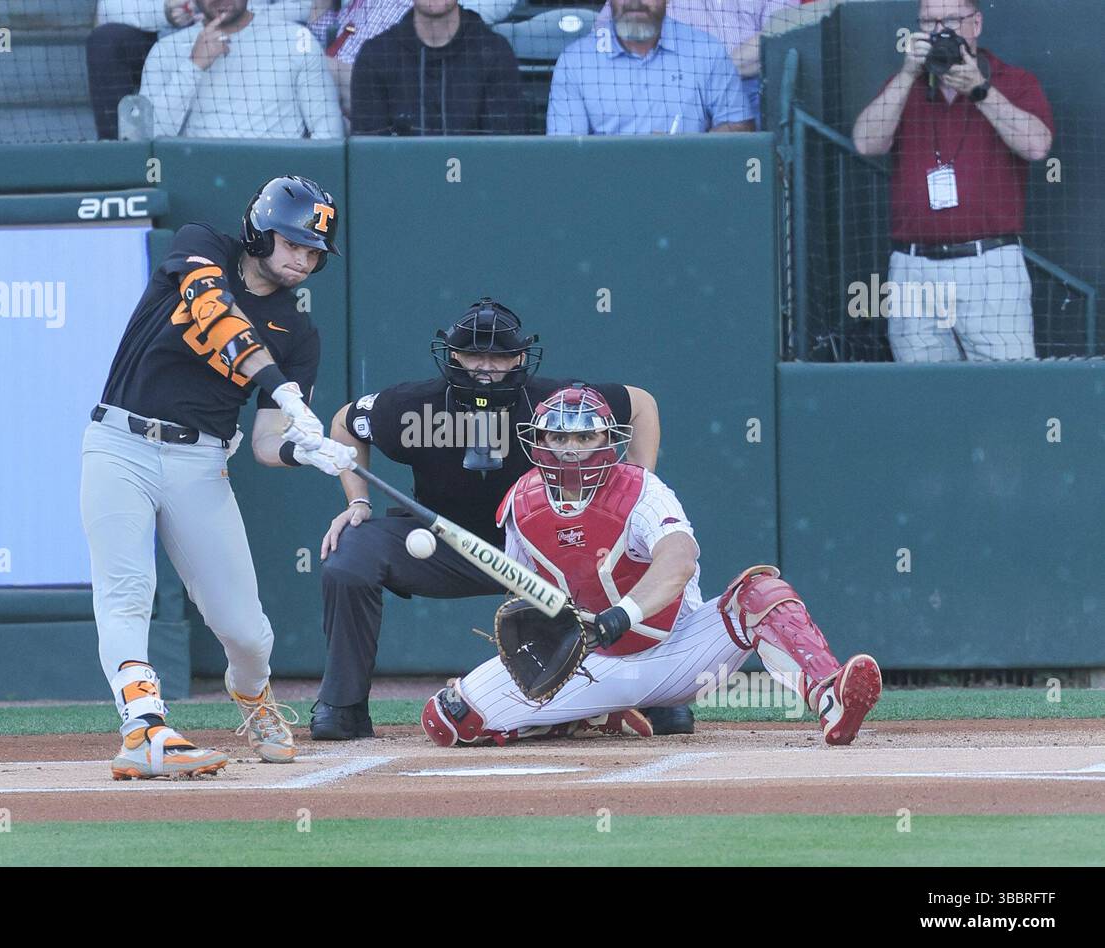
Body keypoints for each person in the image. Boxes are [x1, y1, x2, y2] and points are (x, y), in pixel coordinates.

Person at [310, 298, 694, 739]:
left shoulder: (556, 401)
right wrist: (357, 502)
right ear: (453, 356)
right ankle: (342, 705)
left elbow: (640, 403)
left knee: (628, 551)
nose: (486, 367)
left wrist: (635, 484)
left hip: (551, 548)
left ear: (520, 358)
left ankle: (661, 696)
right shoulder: (411, 407)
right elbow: (344, 424)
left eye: (500, 355)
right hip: (444, 544)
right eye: (475, 354)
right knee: (350, 555)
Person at [421, 385, 883, 747]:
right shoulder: (520, 505)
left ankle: (829, 697)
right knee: (448, 719)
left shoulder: (642, 490)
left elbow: (679, 560)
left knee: (758, 592)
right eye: (558, 436)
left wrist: (618, 617)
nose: (571, 449)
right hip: (586, 665)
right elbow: (525, 594)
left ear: (607, 439)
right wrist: (549, 634)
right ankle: (592, 716)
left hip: (677, 650)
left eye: (585, 436)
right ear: (538, 440)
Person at [81, 175, 357, 780]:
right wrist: (277, 384)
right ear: (259, 229)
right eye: (290, 242)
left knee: (247, 632)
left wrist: (303, 452)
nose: (301, 259)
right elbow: (215, 313)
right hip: (119, 443)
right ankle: (144, 729)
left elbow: (263, 443)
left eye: (312, 252)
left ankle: (255, 698)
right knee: (125, 593)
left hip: (199, 463)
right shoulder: (200, 243)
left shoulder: (299, 334)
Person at [851, 0, 1053, 362]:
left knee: (1007, 386)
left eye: (950, 20)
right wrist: (907, 74)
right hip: (914, 265)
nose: (939, 30)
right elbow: (867, 142)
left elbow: (1037, 146)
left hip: (989, 262)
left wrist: (980, 90)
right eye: (928, 21)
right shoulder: (903, 86)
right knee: (924, 396)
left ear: (976, 24)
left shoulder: (1013, 80)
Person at [139, 0, 344, 138]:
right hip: (198, 180)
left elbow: (328, 131)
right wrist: (194, 66)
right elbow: (148, 138)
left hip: (278, 186)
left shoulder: (296, 40)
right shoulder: (166, 50)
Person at [547, 0, 754, 136]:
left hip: (690, 190)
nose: (635, 2)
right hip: (606, 193)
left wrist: (684, 152)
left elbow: (740, 129)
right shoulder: (576, 62)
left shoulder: (705, 50)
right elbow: (566, 154)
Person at [594, 0, 800, 127]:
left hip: (745, 90)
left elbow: (779, 38)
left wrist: (707, 74)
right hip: (663, 90)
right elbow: (603, 38)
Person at [350, 0, 527, 135]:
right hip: (401, 180)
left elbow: (503, 154)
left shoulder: (495, 53)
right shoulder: (375, 56)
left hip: (475, 180)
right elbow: (370, 159)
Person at [88, 1, 197, 140]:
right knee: (104, 40)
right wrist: (165, 10)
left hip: (217, 38)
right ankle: (116, 151)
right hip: (156, 44)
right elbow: (109, 7)